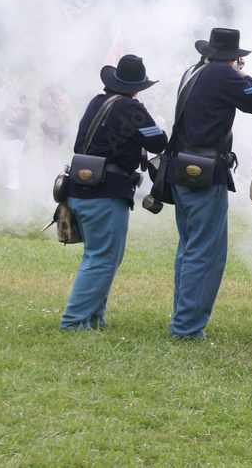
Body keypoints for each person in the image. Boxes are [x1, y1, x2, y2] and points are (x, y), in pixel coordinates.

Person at [167, 28, 252, 339]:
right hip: (205, 169)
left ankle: (183, 319)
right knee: (205, 252)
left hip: (181, 166)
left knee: (189, 247)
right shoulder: (223, 75)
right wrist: (240, 74)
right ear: (232, 57)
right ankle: (186, 327)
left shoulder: (193, 70)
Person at [61, 55, 168, 330]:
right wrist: (147, 115)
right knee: (101, 258)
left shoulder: (98, 101)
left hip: (81, 185)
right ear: (138, 87)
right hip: (105, 190)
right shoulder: (131, 107)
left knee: (104, 256)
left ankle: (95, 318)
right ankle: (73, 322)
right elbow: (159, 141)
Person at [0, 90, 30, 190]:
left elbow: (17, 119)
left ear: (18, 99)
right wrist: (1, 112)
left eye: (14, 97)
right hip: (6, 137)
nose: (12, 100)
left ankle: (15, 183)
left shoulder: (23, 109)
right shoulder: (10, 109)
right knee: (8, 160)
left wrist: (6, 111)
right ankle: (11, 182)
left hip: (16, 138)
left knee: (12, 161)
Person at [39, 84, 72, 178]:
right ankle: (51, 179)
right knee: (48, 157)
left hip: (55, 131)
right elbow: (43, 107)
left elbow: (55, 110)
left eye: (54, 89)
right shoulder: (56, 99)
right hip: (51, 131)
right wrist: (43, 96)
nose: (52, 91)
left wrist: (48, 96)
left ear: (60, 89)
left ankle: (54, 180)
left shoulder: (62, 99)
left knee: (52, 159)